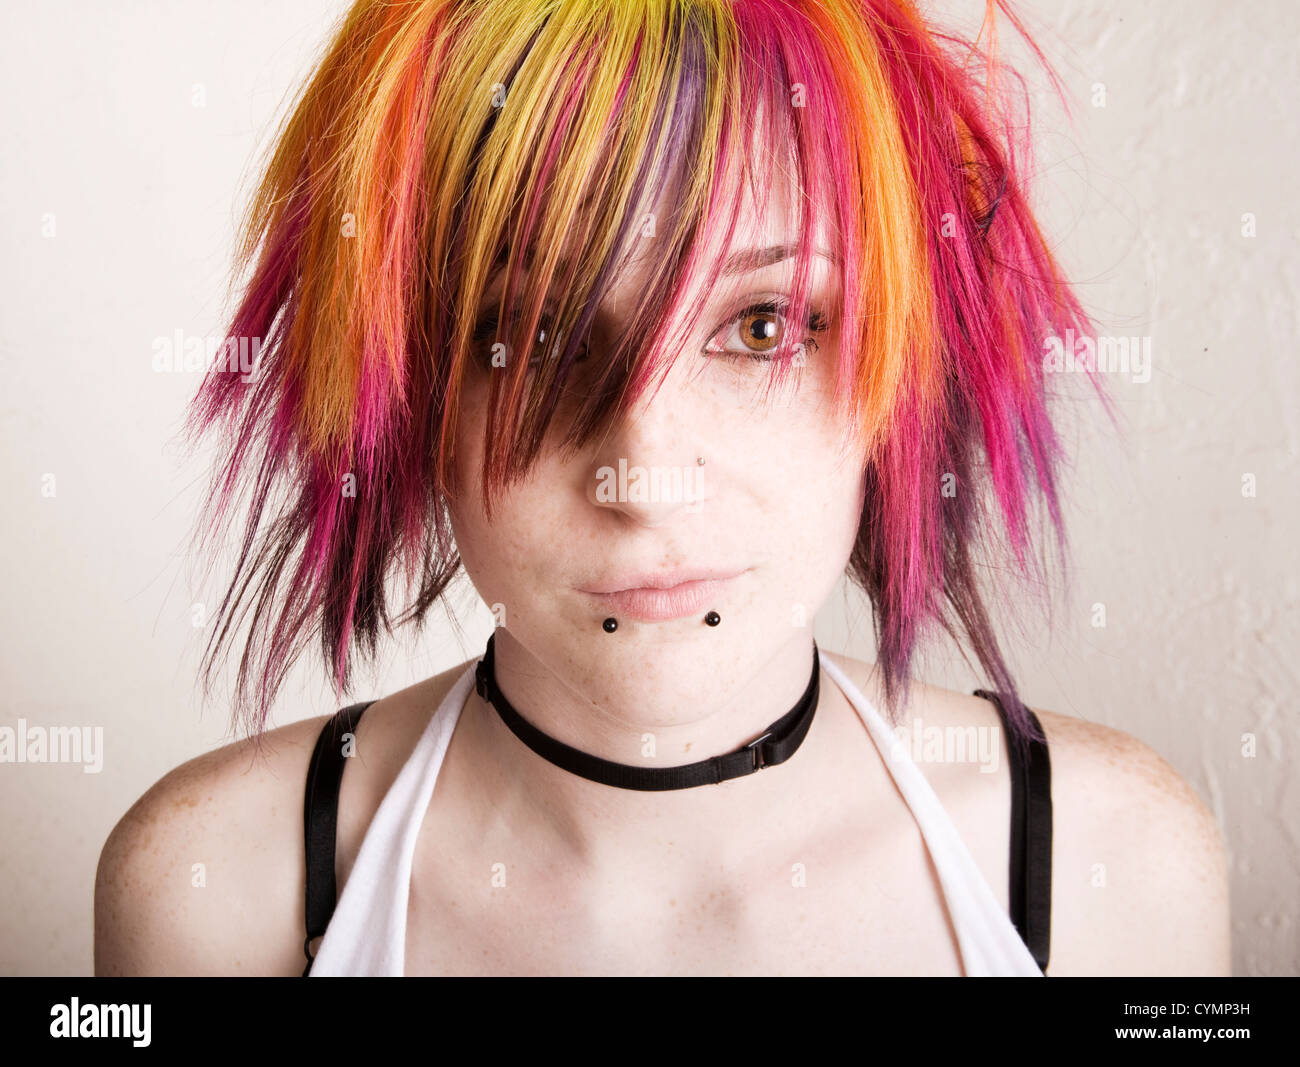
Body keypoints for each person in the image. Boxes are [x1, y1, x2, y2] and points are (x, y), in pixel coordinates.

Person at [94, 0, 1229, 976]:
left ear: (902, 374)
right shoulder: (208, 891)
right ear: (409, 390)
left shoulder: (1114, 865)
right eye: (530, 335)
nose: (647, 470)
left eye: (762, 323)